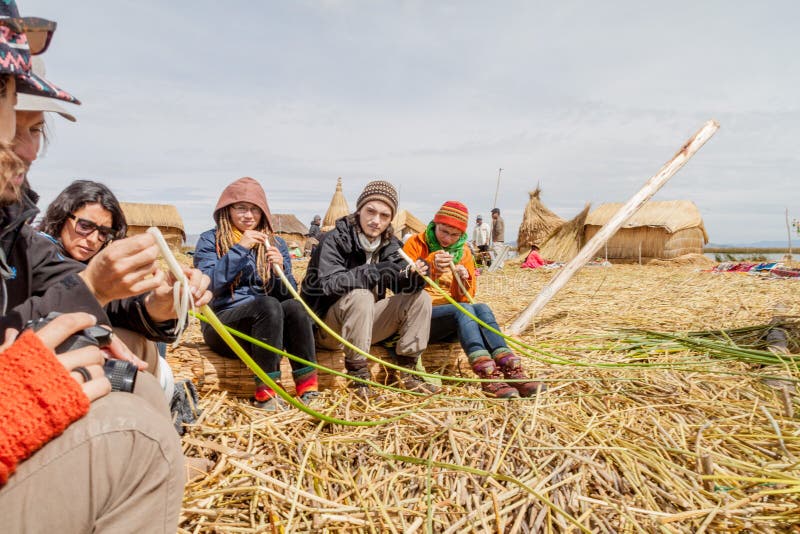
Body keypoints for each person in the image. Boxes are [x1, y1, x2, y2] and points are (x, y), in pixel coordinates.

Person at [0, 10, 183, 526]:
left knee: (132, 361)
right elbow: (80, 290)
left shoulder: (17, 238)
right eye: (9, 104)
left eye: (37, 128)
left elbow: (94, 293)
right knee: (140, 438)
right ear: (61, 219)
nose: (27, 146)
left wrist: (159, 303)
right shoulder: (27, 236)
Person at [301, 180, 436, 396]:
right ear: (359, 210)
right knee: (361, 296)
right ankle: (358, 376)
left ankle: (409, 371)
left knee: (420, 298)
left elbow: (401, 281)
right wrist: (374, 271)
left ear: (390, 219)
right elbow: (329, 285)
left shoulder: (389, 243)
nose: (376, 221)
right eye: (370, 212)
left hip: (364, 327)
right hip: (326, 328)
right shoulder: (334, 240)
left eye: (384, 216)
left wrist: (417, 275)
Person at [194, 177, 319, 409]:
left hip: (268, 329)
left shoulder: (275, 244)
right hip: (223, 327)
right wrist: (240, 248)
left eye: (255, 209)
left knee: (295, 307)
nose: (248, 215)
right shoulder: (210, 240)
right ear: (226, 210)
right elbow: (207, 286)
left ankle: (308, 388)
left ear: (263, 213)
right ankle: (267, 394)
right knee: (268, 304)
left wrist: (280, 269)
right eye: (241, 208)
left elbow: (288, 297)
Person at [404, 201, 545, 398]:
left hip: (454, 319)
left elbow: (465, 298)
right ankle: (487, 375)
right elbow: (404, 287)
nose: (448, 239)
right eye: (443, 231)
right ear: (435, 224)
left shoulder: (464, 253)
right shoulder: (415, 244)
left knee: (482, 308)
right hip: (422, 319)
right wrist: (431, 266)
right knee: (463, 310)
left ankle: (511, 370)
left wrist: (462, 279)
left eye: (455, 235)